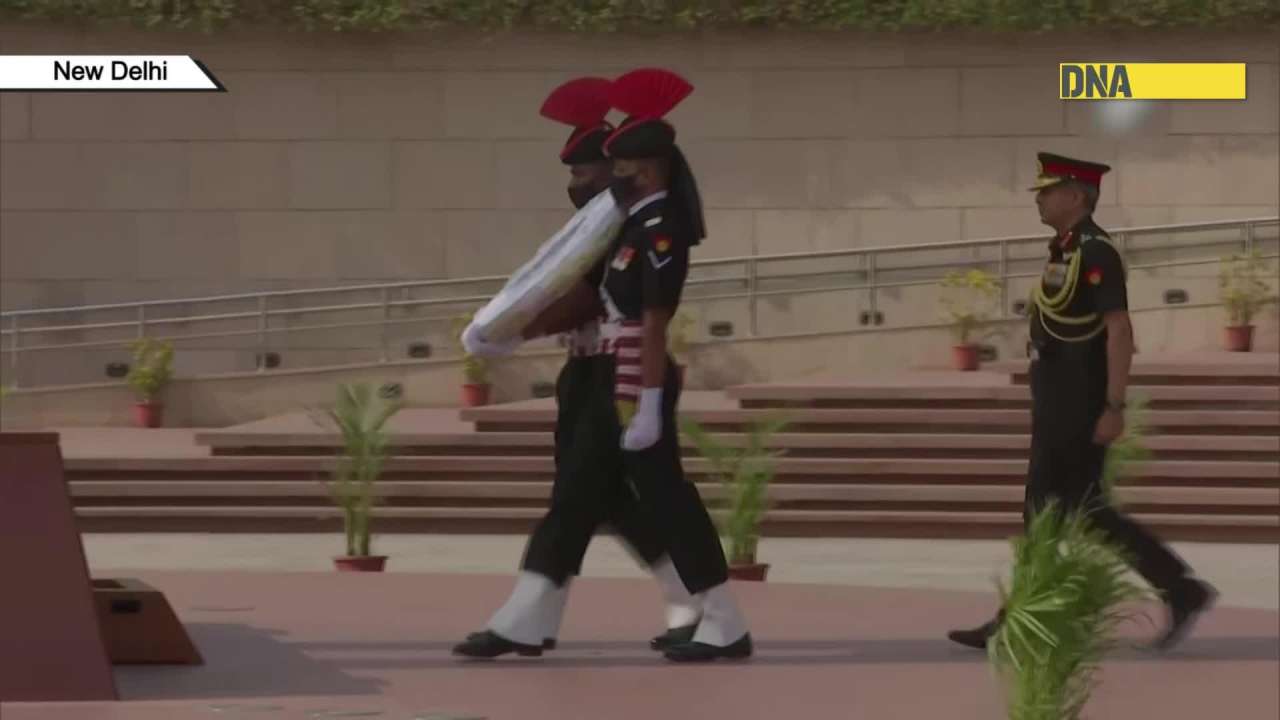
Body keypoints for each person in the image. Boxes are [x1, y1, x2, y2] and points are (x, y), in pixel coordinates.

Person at [453, 76, 701, 660]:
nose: (578, 183)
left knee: (574, 497)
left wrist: (512, 328)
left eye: (585, 172)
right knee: (607, 499)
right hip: (587, 372)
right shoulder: (596, 227)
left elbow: (587, 298)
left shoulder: (623, 224)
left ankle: (526, 615)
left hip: (619, 371)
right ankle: (689, 594)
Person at [946, 153, 1217, 651]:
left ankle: (1021, 619)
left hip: (1079, 399)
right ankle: (1181, 589)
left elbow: (1118, 330)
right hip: (1057, 394)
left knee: (1043, 507)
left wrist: (1114, 406)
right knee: (1085, 509)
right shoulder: (1066, 248)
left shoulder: (1096, 253)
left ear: (1076, 196)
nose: (1039, 198)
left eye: (1047, 191)